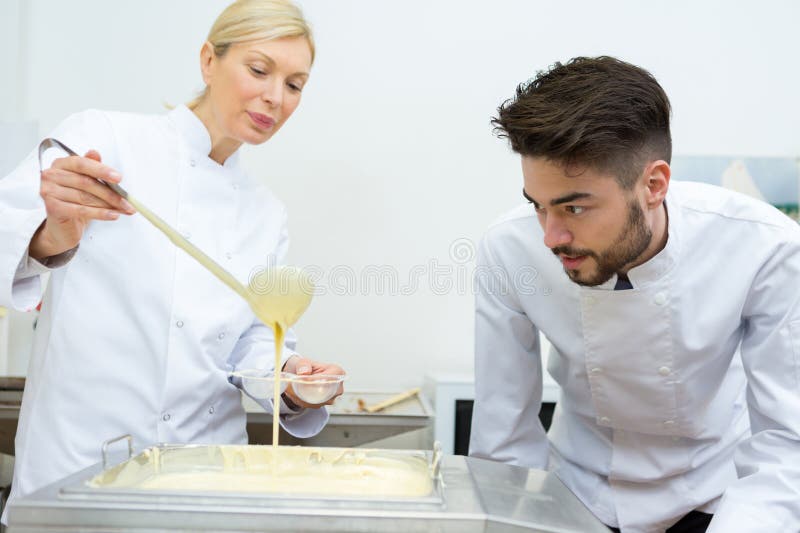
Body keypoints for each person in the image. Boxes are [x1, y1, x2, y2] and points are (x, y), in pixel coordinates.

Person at [0, 0, 344, 519]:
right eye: (258, 70)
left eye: (295, 85)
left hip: (204, 480)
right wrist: (53, 234)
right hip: (78, 471)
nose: (275, 97)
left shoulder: (266, 213)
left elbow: (252, 345)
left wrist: (293, 381)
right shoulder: (105, 140)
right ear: (209, 60)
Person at [469, 56, 800, 533]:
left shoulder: (763, 246)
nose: (551, 237)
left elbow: (787, 444)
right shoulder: (508, 248)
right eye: (538, 206)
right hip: (576, 494)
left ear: (654, 184)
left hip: (714, 496)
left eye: (575, 207)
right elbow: (504, 436)